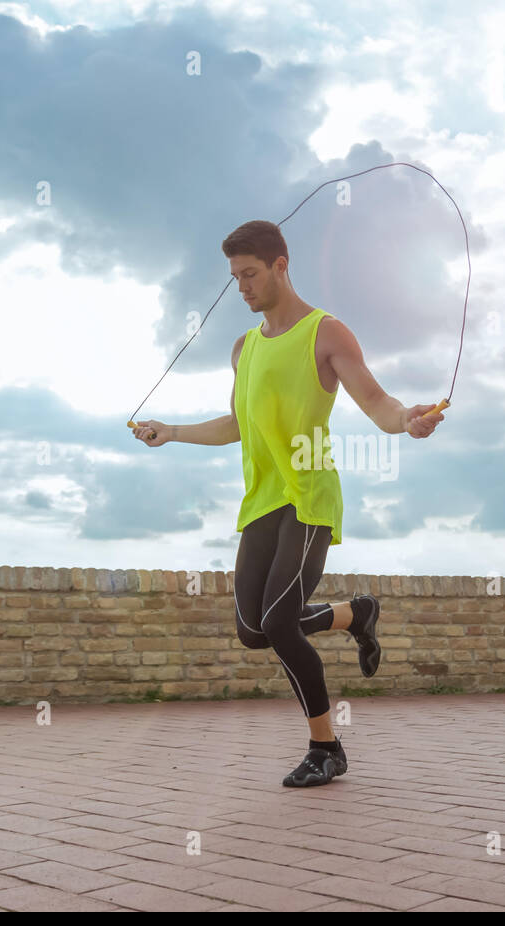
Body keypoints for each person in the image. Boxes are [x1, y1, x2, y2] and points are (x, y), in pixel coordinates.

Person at [132, 219, 445, 786]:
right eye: (234, 278)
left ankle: (326, 748)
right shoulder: (243, 348)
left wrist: (408, 420)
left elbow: (376, 402)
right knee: (253, 629)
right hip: (261, 503)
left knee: (279, 624)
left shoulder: (326, 333)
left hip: (307, 499)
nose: (242, 287)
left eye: (250, 274)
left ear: (281, 266)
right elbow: (237, 424)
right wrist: (170, 432)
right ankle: (354, 615)